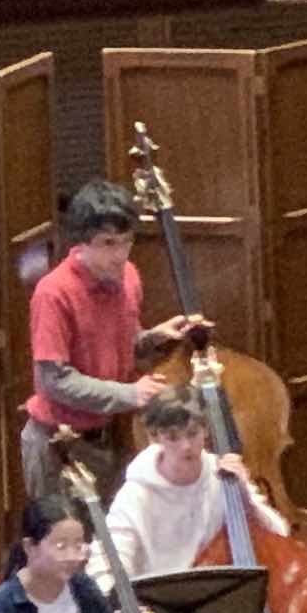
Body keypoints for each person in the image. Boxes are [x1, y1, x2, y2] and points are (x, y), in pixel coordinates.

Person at [24, 180, 192, 508]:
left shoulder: (128, 276)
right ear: (81, 243)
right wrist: (130, 394)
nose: (119, 255)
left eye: (126, 242)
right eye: (107, 243)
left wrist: (154, 338)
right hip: (59, 445)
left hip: (109, 437)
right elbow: (54, 381)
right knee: (72, 550)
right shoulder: (53, 293)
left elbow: (121, 348)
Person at [100, 395, 293, 582]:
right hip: (166, 602)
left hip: (224, 591)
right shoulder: (135, 494)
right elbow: (112, 560)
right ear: (154, 438)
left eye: (193, 433)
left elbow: (279, 534)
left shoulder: (223, 474)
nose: (186, 446)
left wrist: (246, 499)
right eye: (173, 437)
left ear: (205, 430)